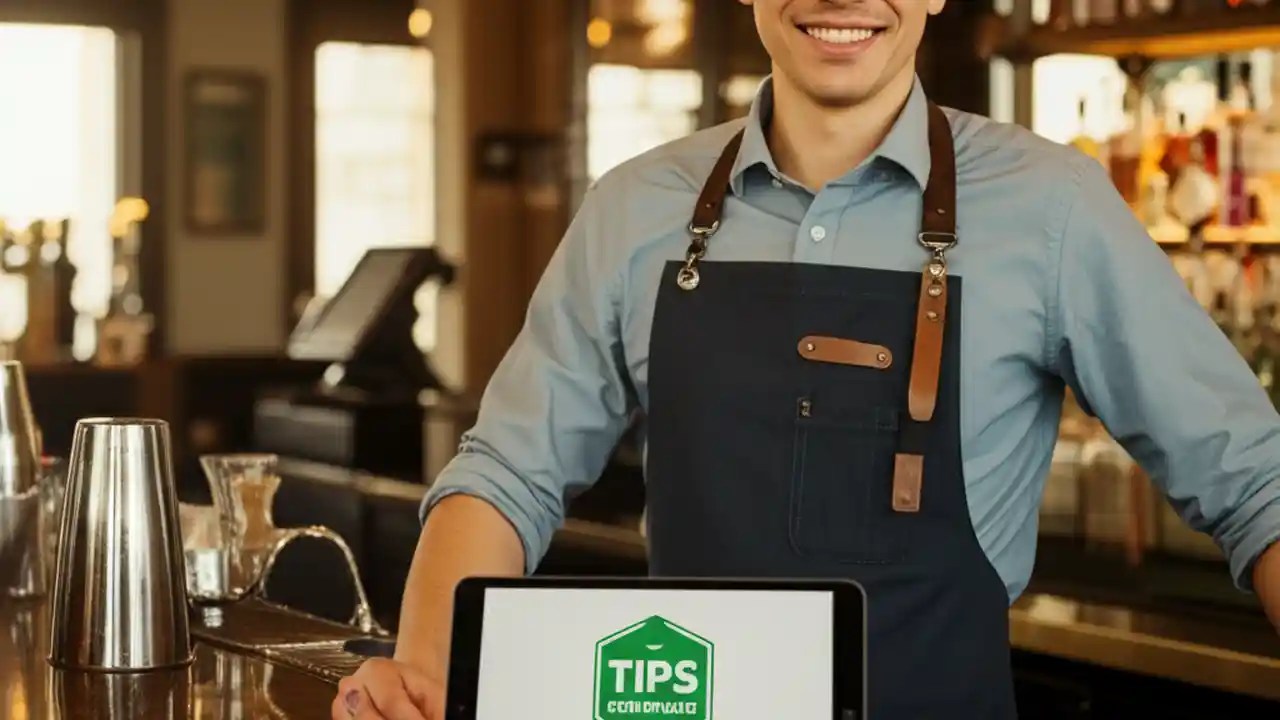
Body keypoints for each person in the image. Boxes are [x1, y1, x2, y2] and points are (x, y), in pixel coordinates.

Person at [333, 0, 1280, 717]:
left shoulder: (1055, 207)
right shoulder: (632, 208)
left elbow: (1254, 485)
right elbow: (506, 474)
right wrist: (423, 674)